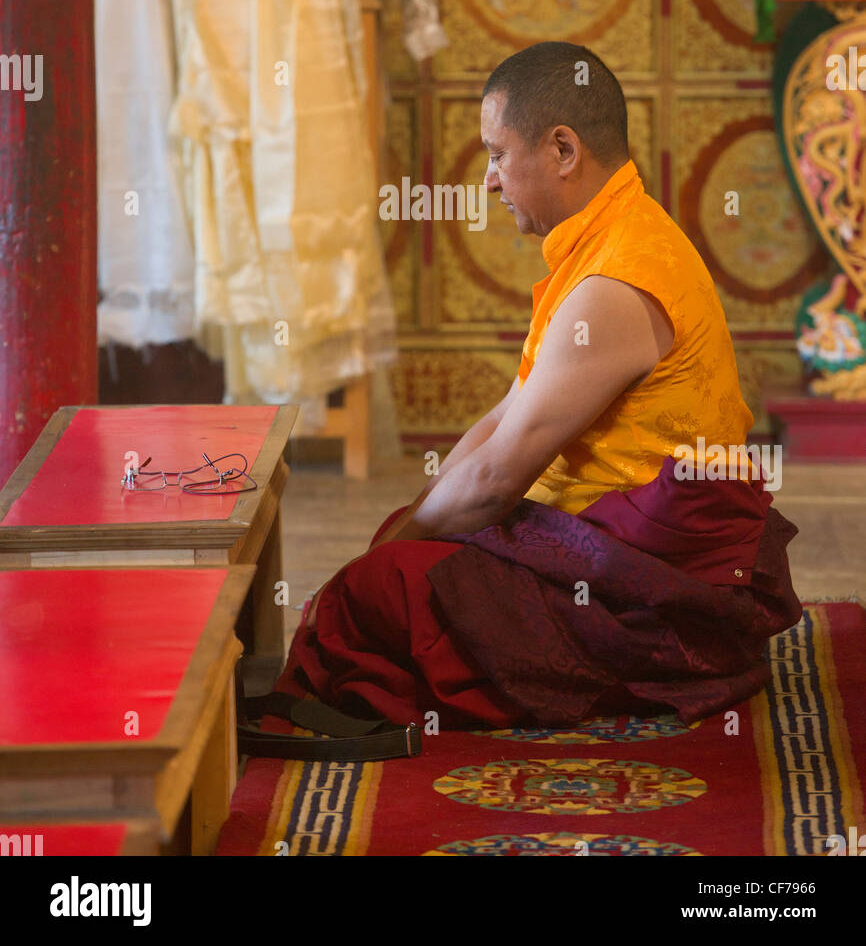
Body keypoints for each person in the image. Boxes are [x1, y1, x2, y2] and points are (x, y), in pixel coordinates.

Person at [274, 41, 801, 730]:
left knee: (378, 590)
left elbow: (497, 479)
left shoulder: (617, 280)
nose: (489, 180)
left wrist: (392, 555)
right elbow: (503, 420)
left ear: (562, 149)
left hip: (648, 592)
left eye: (496, 153)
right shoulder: (607, 240)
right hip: (609, 545)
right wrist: (408, 530)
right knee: (402, 549)